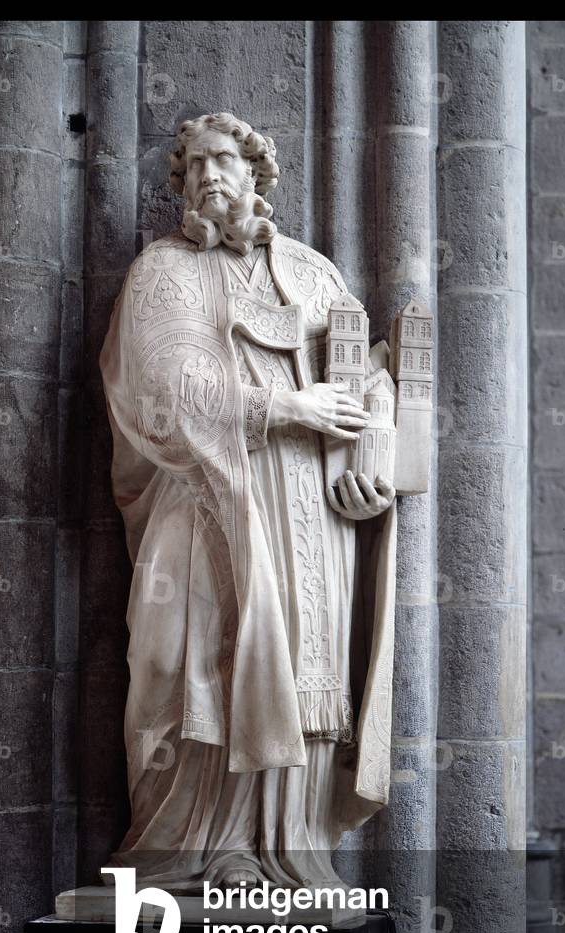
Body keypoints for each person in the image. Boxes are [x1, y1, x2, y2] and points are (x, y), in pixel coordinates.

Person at [99, 112, 397, 892]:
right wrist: (289, 410)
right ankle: (186, 853)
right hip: (205, 505)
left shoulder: (315, 272)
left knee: (303, 670)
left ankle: (289, 850)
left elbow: (370, 377)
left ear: (258, 172)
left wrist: (370, 454)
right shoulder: (162, 271)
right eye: (193, 164)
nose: (207, 174)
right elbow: (162, 390)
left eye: (223, 158)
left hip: (307, 511)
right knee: (184, 661)